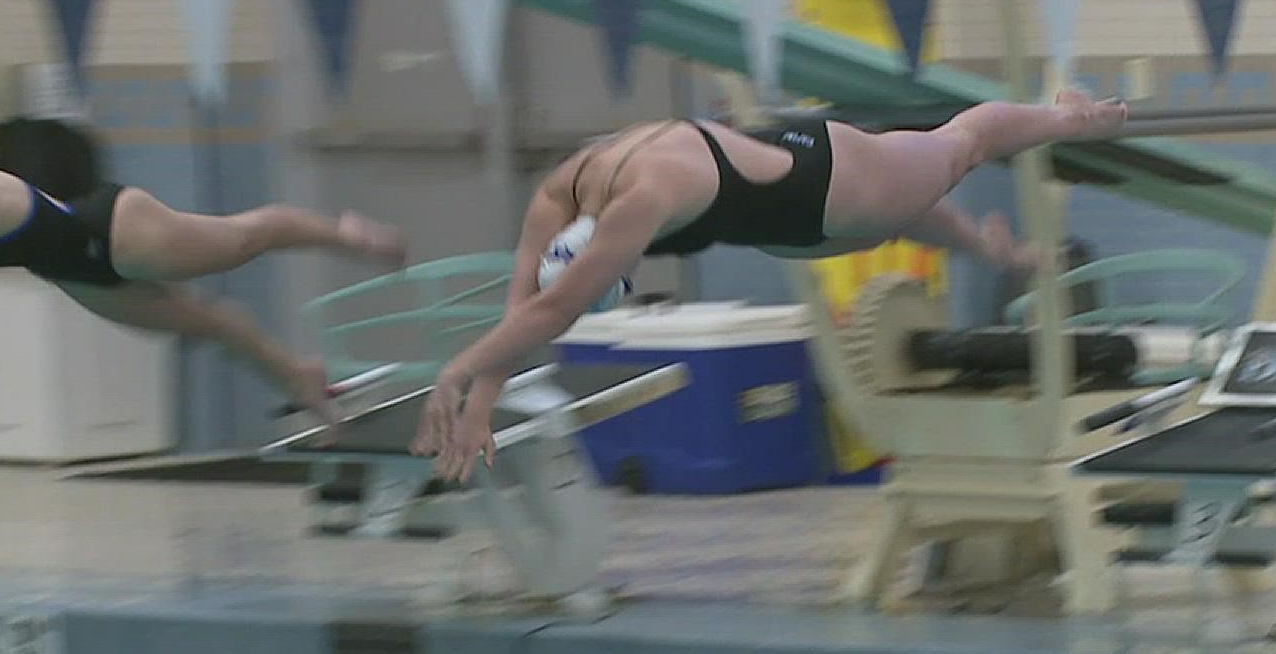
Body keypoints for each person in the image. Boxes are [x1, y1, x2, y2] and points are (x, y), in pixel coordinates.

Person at [410, 89, 1130, 481]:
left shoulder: (641, 200)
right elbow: (531, 306)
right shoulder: (558, 192)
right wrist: (481, 404)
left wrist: (457, 370)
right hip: (781, 215)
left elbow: (555, 310)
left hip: (827, 182)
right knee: (904, 216)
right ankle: (991, 247)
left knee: (960, 144)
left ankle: (1069, 116)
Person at [0, 163, 405, 428]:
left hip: (117, 231)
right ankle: (299, 377)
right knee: (212, 324)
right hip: (71, 271)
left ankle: (346, 233)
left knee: (240, 240)